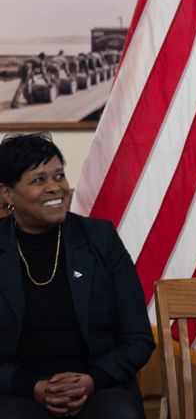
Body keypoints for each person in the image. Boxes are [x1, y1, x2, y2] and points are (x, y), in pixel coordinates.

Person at [0, 133, 154, 418]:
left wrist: (92, 380)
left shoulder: (101, 239)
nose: (55, 187)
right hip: (18, 389)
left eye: (59, 176)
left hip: (99, 382)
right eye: (39, 180)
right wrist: (32, 387)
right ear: (7, 194)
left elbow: (138, 338)